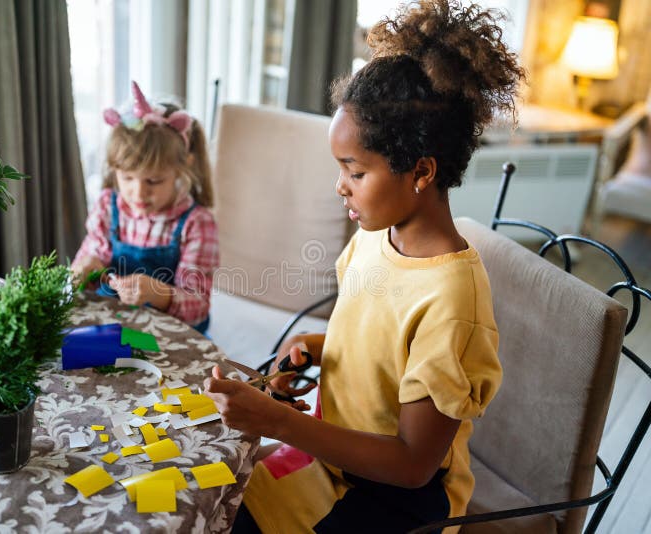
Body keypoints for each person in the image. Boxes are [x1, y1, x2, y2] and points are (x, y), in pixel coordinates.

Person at [204, 1, 525, 531]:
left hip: (392, 498)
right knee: (213, 503)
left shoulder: (452, 304)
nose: (340, 186)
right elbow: (376, 344)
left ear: (421, 171)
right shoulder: (378, 237)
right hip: (334, 454)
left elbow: (413, 464)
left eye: (354, 171)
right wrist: (319, 346)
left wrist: (279, 422)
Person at [72, 81, 218, 334]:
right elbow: (90, 263)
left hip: (172, 335)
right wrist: (82, 271)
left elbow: (198, 307)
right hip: (118, 327)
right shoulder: (108, 206)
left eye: (154, 180)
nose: (138, 193)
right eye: (127, 178)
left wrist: (160, 295)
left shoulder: (196, 223)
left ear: (184, 167)